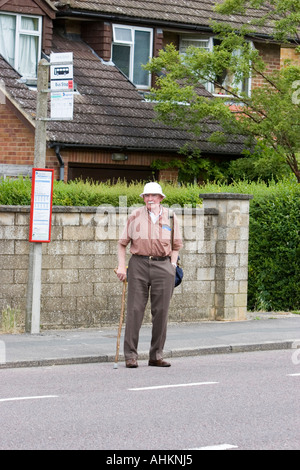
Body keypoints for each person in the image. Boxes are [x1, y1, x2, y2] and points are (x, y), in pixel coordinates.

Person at [116, 182, 183, 368]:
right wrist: (122, 267)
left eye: (154, 195)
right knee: (135, 311)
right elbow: (122, 243)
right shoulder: (135, 215)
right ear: (143, 198)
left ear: (161, 198)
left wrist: (172, 265)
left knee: (161, 312)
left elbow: (176, 245)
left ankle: (156, 355)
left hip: (164, 266)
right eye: (147, 196)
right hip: (138, 264)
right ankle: (130, 356)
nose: (150, 199)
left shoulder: (171, 215)